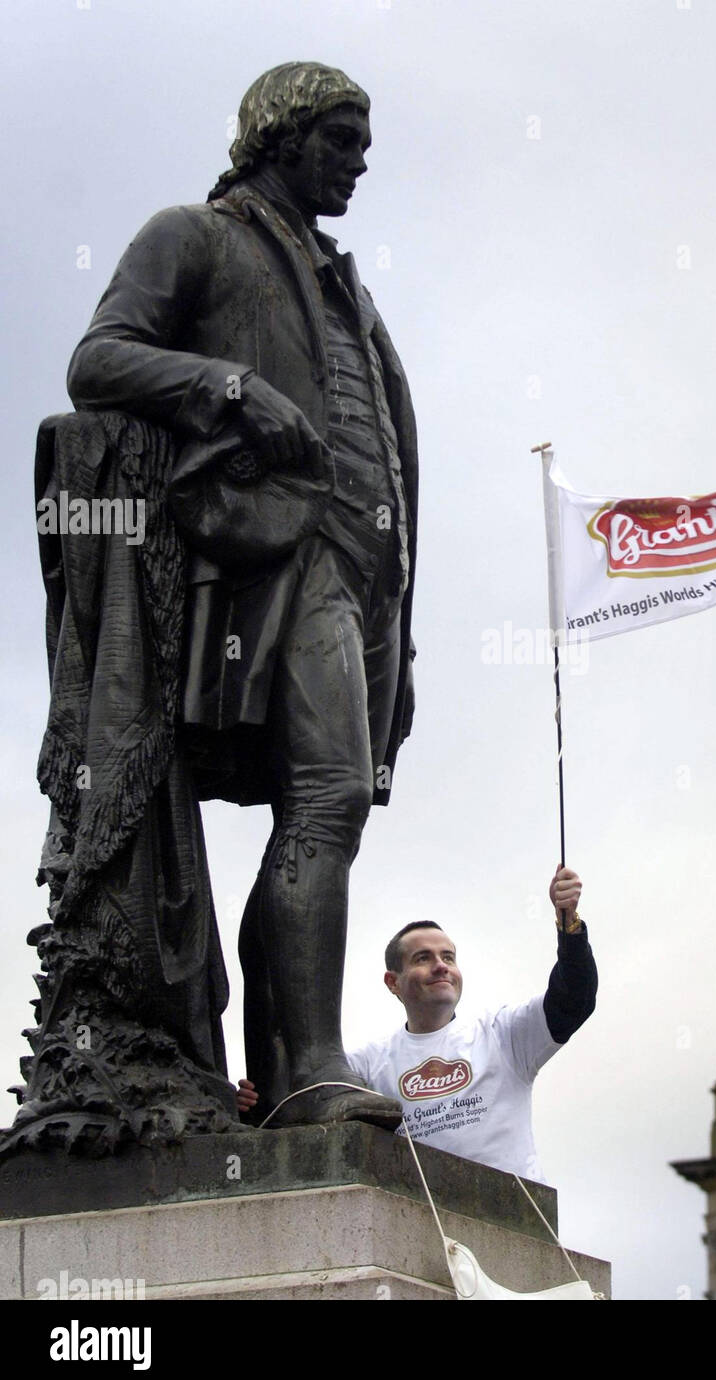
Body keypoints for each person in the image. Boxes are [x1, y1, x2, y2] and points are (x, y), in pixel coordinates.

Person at [64, 61, 418, 1128]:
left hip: (363, 573)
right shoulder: (196, 234)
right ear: (279, 133)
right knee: (327, 797)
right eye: (342, 138)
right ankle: (310, 1064)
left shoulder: (349, 285)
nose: (360, 160)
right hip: (271, 553)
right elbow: (99, 359)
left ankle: (288, 1073)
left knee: (325, 808)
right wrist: (230, 384)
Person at [238, 866, 597, 1178]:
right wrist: (256, 1104)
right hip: (418, 1226)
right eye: (423, 958)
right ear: (393, 982)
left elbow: (573, 1000)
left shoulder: (503, 1033)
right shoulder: (364, 1064)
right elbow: (301, 1105)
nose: (441, 966)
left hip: (514, 1217)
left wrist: (569, 927)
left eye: (448, 957)